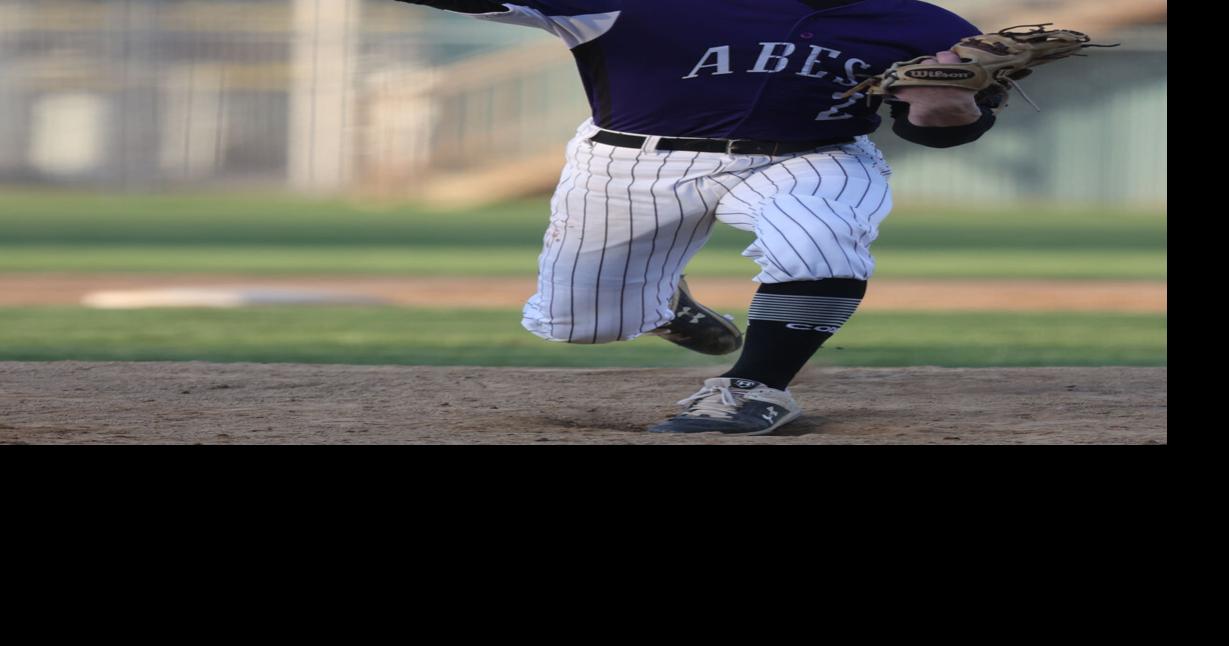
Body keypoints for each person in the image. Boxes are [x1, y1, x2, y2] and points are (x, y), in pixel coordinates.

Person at [394, 0, 997, 435]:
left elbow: (949, 135)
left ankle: (754, 388)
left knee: (821, 242)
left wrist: (949, 112)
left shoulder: (926, 26)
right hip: (631, 162)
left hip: (814, 155)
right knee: (580, 324)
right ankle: (664, 304)